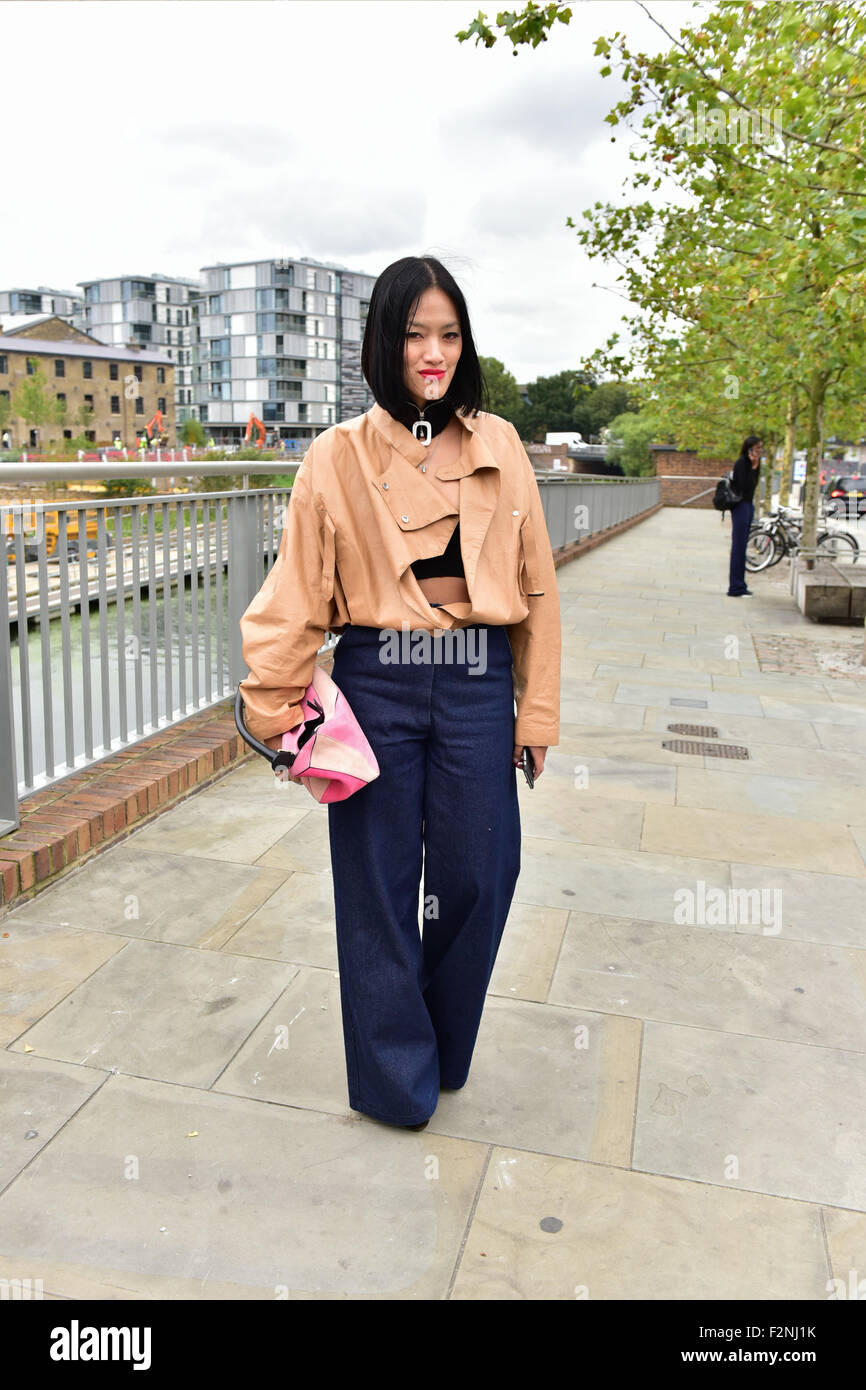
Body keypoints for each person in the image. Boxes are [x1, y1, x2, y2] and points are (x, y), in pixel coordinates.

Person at [238, 255, 561, 1132]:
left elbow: (537, 595)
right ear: (385, 340)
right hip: (379, 680)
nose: (433, 352)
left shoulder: (502, 447)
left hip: (479, 682)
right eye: (415, 333)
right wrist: (274, 712)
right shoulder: (335, 457)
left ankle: (441, 1043)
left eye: (449, 334)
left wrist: (536, 711)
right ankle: (392, 1081)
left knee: (481, 877)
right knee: (378, 890)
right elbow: (296, 594)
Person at [727, 434, 763, 596]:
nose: (759, 451)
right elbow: (743, 487)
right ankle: (735, 586)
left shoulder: (753, 463)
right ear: (749, 448)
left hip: (748, 505)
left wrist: (755, 467)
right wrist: (753, 468)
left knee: (742, 546)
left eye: (761, 448)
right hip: (741, 506)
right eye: (757, 448)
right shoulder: (742, 462)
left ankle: (740, 584)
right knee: (738, 547)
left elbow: (753, 487)